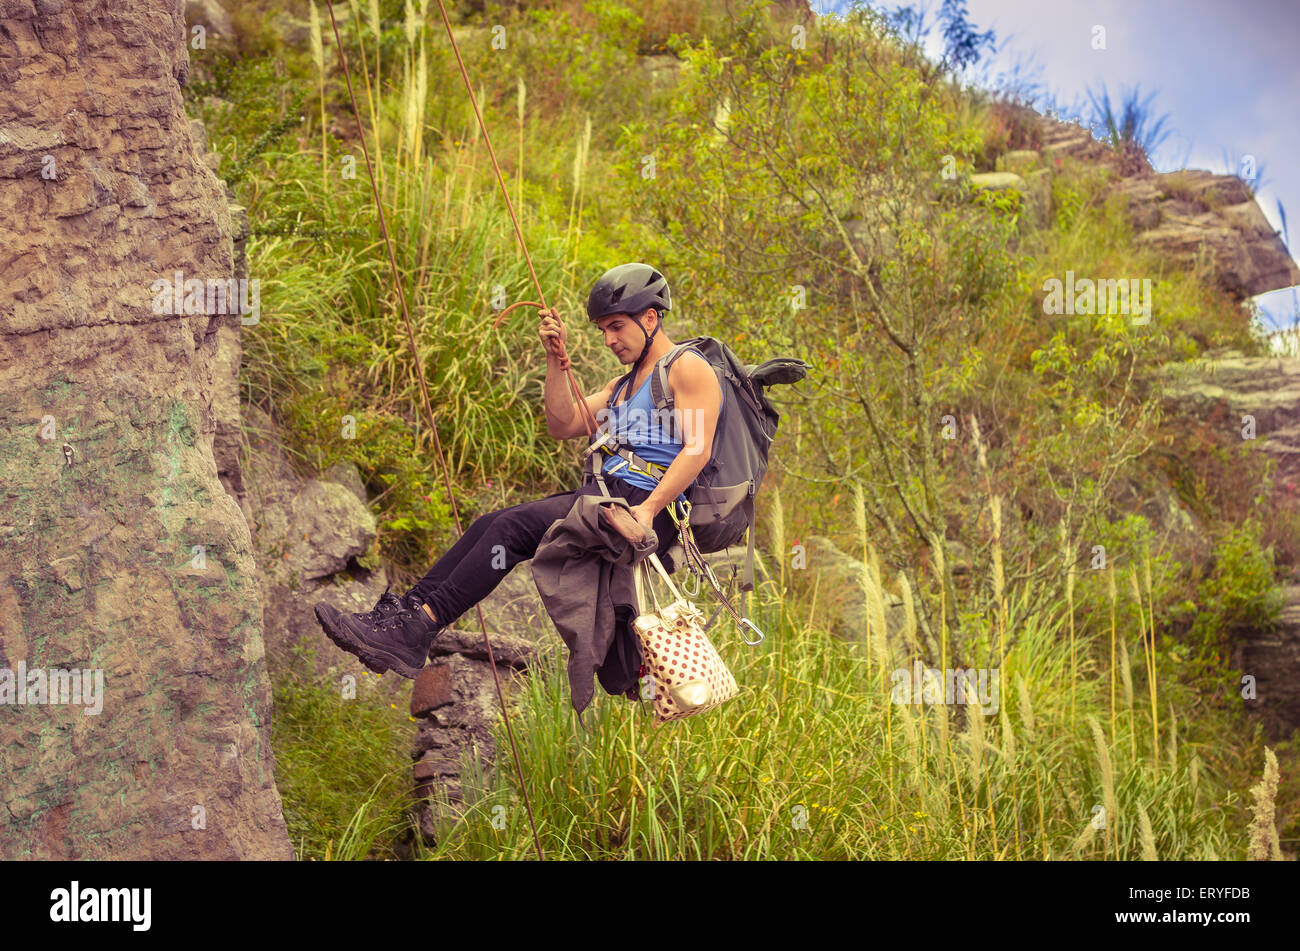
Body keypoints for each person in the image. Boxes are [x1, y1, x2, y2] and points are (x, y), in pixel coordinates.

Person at [314, 263, 724, 679]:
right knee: (490, 523)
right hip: (610, 499)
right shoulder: (623, 386)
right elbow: (562, 424)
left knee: (508, 531)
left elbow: (698, 448)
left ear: (650, 318)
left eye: (616, 326)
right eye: (603, 330)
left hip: (642, 508)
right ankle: (403, 618)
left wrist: (650, 510)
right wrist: (553, 359)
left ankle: (418, 629)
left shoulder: (686, 367)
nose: (609, 340)